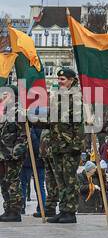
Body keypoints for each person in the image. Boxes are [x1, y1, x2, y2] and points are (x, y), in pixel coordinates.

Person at [31, 67, 84, 224]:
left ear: (72, 80)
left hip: (69, 146)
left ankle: (71, 211)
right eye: (59, 79)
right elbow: (51, 121)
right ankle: (63, 209)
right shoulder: (59, 98)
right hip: (57, 145)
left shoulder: (77, 98)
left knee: (70, 180)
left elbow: (80, 125)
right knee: (60, 180)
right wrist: (34, 121)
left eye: (63, 79)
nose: (60, 82)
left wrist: (76, 145)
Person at [0, 86, 25, 222]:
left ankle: (15, 211)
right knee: (4, 182)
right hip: (3, 153)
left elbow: (22, 134)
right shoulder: (4, 111)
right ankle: (7, 209)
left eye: (6, 94)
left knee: (13, 182)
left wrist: (17, 151)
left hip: (13, 153)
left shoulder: (18, 111)